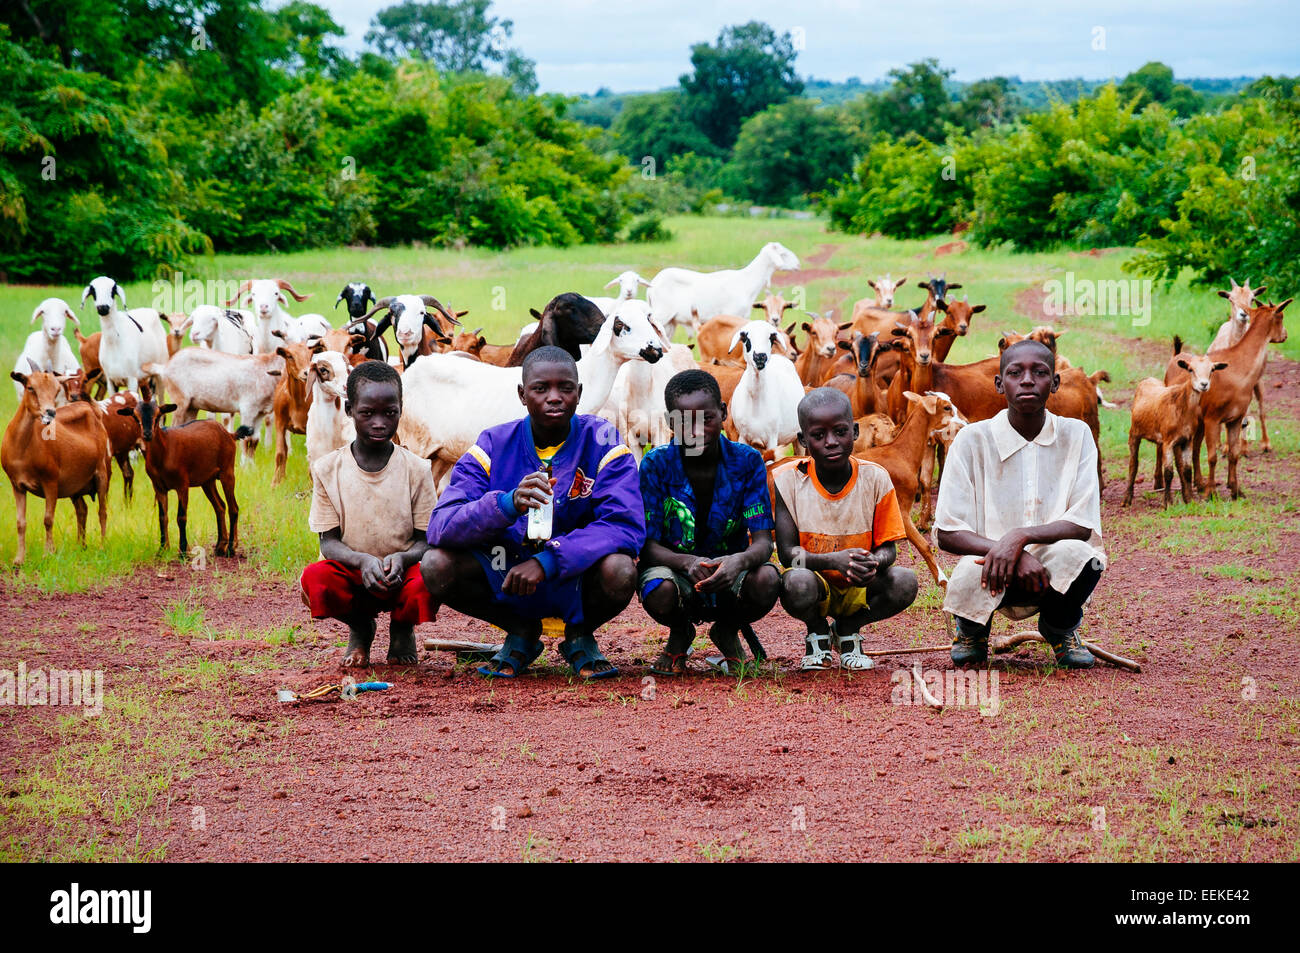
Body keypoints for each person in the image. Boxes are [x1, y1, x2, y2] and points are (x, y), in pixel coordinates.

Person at [421, 346, 644, 679]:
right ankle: (521, 630)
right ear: (522, 395)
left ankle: (580, 635)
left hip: (577, 575)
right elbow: (442, 526)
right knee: (436, 565)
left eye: (565, 388)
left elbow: (624, 525)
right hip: (507, 572)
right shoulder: (493, 444)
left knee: (621, 570)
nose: (554, 397)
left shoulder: (604, 441)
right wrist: (506, 504)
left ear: (579, 393)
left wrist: (550, 560)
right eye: (541, 389)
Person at [933, 339, 1106, 669]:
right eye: (1015, 373)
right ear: (1000, 384)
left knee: (1087, 558)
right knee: (969, 571)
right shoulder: (971, 440)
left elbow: (1083, 523)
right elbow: (948, 531)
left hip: (1051, 560)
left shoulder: (1076, 434)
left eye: (1040, 372)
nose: (1027, 380)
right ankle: (972, 631)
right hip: (988, 560)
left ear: (1054, 383)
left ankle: (1060, 627)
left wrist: (1020, 538)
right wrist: (1007, 550)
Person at [638, 370, 780, 675]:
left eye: (707, 419)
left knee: (767, 579)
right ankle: (680, 632)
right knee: (657, 587)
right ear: (670, 422)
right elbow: (646, 547)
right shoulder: (655, 464)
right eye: (685, 422)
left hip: (732, 575)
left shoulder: (747, 461)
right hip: (677, 573)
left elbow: (764, 542)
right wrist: (688, 562)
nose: (697, 430)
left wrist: (738, 561)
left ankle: (726, 630)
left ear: (724, 413)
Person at [301, 360, 437, 667]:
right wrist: (362, 561)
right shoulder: (327, 469)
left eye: (389, 413)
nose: (379, 422)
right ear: (349, 410)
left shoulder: (416, 469)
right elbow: (328, 542)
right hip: (353, 572)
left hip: (402, 574)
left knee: (435, 573)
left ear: (400, 410)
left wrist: (402, 559)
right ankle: (360, 627)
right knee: (316, 578)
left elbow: (425, 540)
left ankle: (403, 628)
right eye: (367, 413)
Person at [773, 388, 918, 670]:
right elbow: (788, 556)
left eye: (840, 432)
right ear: (803, 440)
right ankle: (816, 630)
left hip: (861, 582)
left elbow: (889, 549)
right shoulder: (787, 481)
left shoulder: (875, 478)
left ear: (854, 431)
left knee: (905, 581)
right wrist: (831, 561)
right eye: (818, 435)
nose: (831, 442)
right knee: (795, 582)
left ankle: (848, 629)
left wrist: (873, 561)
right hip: (815, 582)